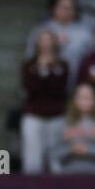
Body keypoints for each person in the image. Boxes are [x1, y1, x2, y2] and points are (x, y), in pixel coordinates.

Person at [20, 30, 68, 173]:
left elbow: (57, 90)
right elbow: (31, 89)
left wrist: (50, 69)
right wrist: (42, 69)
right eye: (43, 40)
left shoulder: (63, 65)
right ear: (37, 43)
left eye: (49, 40)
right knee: (33, 159)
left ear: (55, 43)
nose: (46, 44)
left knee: (56, 159)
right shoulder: (28, 65)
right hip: (34, 114)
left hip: (56, 115)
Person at [48, 83, 95, 174]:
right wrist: (71, 149)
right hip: (69, 175)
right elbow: (53, 153)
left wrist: (89, 149)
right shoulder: (61, 123)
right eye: (81, 97)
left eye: (88, 97)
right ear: (74, 99)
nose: (85, 101)